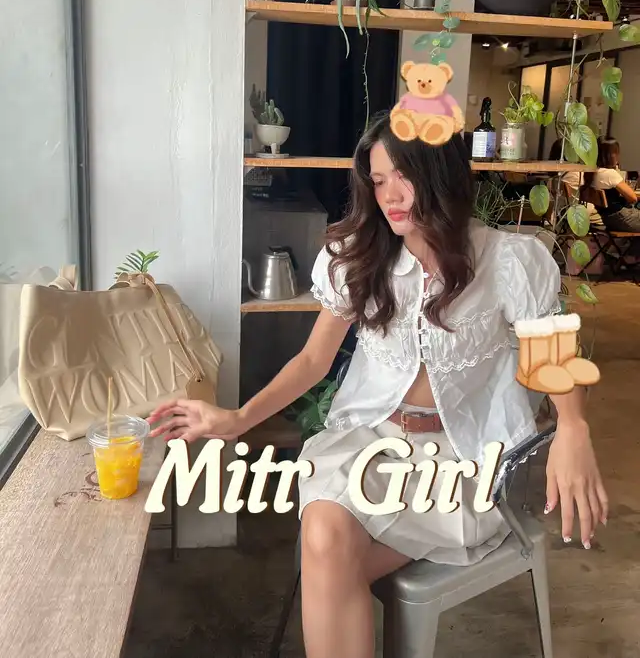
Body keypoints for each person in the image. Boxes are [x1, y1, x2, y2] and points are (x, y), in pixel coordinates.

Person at [148, 114, 608, 658]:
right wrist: (237, 419)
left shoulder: (507, 261)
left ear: (439, 173)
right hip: (373, 443)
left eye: (403, 176)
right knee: (327, 535)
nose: (389, 195)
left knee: (328, 556)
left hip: (461, 459)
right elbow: (313, 360)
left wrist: (574, 427)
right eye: (379, 180)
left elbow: (554, 360)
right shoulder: (361, 258)